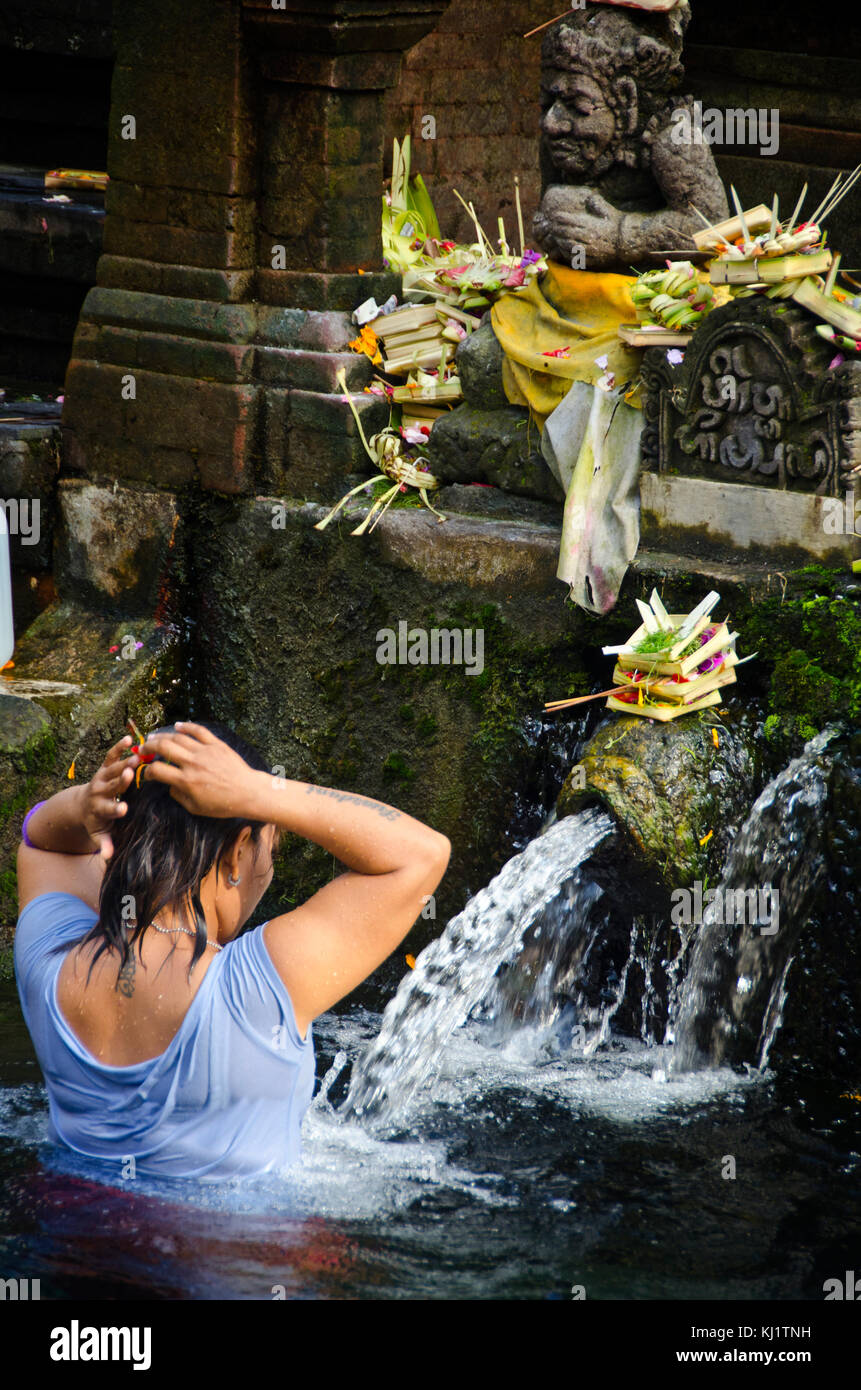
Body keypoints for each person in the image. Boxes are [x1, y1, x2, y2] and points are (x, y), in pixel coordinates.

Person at [14, 720, 450, 1180]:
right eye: (271, 849)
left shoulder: (48, 960)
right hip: (236, 1249)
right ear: (238, 851)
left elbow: (41, 840)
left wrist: (87, 803)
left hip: (74, 1238)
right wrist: (258, 791)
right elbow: (423, 853)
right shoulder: (257, 990)